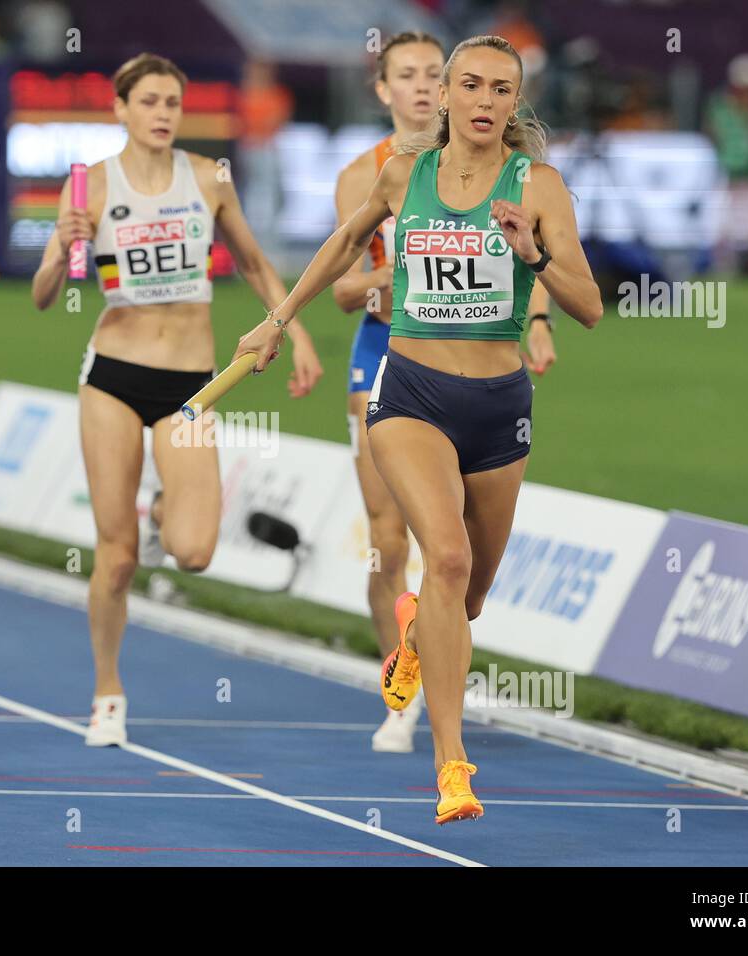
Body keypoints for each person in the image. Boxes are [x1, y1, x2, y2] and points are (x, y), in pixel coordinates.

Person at [236, 35, 601, 825]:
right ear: (444, 97)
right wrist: (276, 322)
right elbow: (340, 245)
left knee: (465, 600)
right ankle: (451, 766)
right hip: (408, 394)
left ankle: (412, 637)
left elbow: (591, 305)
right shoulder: (404, 173)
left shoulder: (538, 184)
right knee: (443, 555)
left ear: (514, 102)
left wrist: (533, 255)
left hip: (499, 405)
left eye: (499, 89)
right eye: (467, 85)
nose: (481, 101)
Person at [32, 52, 323, 747]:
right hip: (113, 378)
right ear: (121, 110)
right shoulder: (91, 186)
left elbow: (253, 261)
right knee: (117, 552)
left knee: (192, 551)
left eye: (172, 102)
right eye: (150, 101)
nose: (163, 113)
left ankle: (164, 506)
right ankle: (107, 692)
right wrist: (58, 253)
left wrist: (296, 331)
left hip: (191, 386)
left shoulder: (209, 176)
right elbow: (48, 295)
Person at [333, 31, 555, 754]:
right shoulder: (375, 173)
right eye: (411, 75)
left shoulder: (512, 175)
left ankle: (420, 651)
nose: (426, 87)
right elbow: (340, 284)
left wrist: (541, 317)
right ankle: (403, 704)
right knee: (391, 538)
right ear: (384, 89)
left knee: (464, 583)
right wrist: (392, 279)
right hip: (388, 362)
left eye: (436, 73)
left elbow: (530, 261)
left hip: (484, 376)